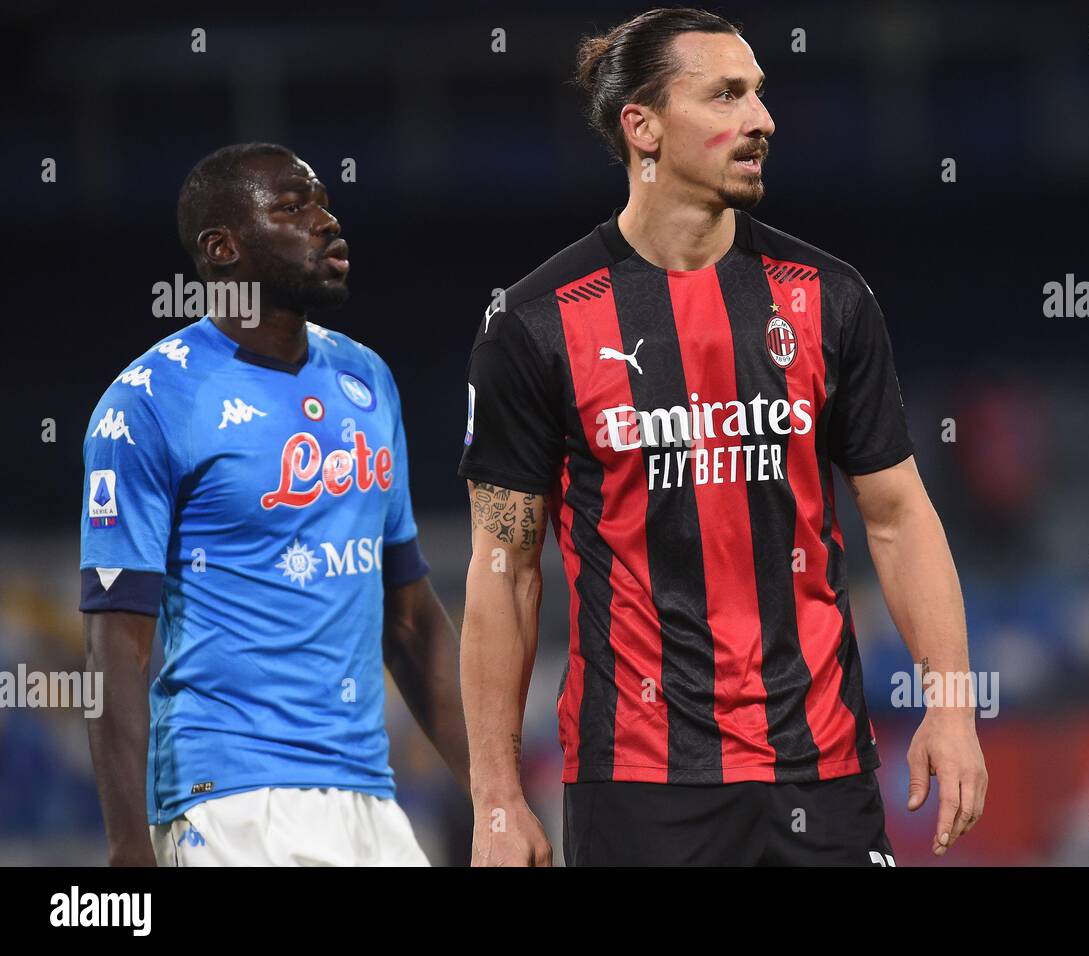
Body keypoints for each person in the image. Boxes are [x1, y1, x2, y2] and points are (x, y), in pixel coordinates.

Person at [458, 8, 985, 866]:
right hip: (637, 782)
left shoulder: (829, 297)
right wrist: (494, 797)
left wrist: (952, 707)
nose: (762, 120)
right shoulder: (533, 325)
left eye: (761, 95)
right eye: (727, 96)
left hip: (822, 765)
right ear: (644, 127)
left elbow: (897, 515)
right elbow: (504, 568)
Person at [81, 143, 468, 866]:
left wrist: (499, 797)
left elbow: (411, 619)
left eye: (323, 202)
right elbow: (116, 648)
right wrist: (129, 848)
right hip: (230, 801)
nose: (326, 220)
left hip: (370, 797)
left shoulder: (367, 378)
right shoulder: (149, 402)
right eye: (293, 208)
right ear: (222, 249)